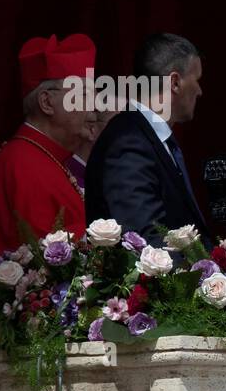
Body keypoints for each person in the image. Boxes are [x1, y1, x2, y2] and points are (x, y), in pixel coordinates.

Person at [0, 33, 97, 252]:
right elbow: (46, 256)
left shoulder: (46, 156)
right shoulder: (24, 165)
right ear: (47, 102)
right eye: (83, 94)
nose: (94, 104)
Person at [85, 32, 211, 246]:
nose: (199, 91)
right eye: (196, 80)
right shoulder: (127, 144)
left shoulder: (152, 138)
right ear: (175, 82)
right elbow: (143, 240)